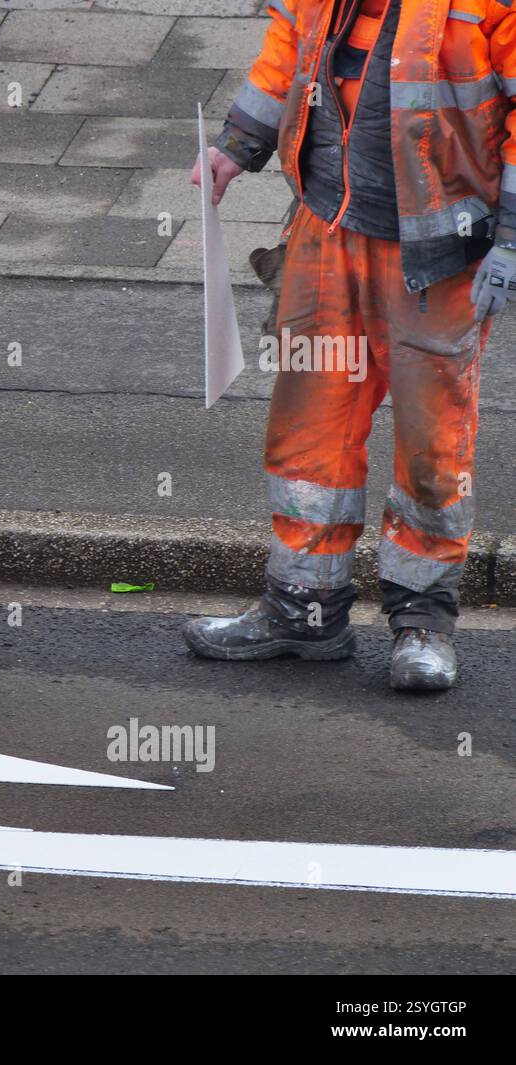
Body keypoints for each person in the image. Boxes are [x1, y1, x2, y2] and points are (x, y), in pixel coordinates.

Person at [186, 0, 516, 690]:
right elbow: (289, 48)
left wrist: (511, 239)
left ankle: (423, 622)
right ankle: (302, 612)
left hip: (439, 250)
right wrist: (235, 144)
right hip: (328, 228)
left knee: (433, 445)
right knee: (310, 434)